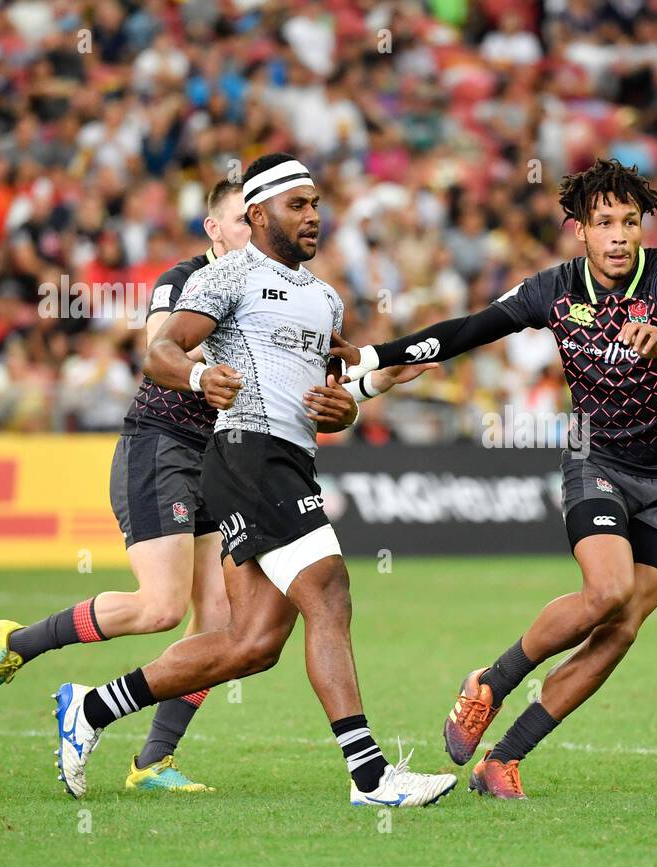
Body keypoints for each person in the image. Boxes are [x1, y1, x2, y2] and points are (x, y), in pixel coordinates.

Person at [50, 153, 456, 808]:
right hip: (245, 453)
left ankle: (90, 709)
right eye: (298, 204)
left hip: (290, 457)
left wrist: (348, 405)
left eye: (317, 203)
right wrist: (196, 376)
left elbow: (339, 393)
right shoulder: (230, 275)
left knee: (253, 643)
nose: (313, 215)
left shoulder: (324, 298)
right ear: (259, 213)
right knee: (327, 589)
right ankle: (371, 775)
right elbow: (161, 350)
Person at [335, 158, 657, 798]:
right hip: (597, 462)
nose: (620, 236)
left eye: (630, 222)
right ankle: (492, 680)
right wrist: (376, 357)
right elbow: (468, 331)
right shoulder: (554, 290)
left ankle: (503, 759)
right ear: (580, 230)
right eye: (604, 223)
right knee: (606, 593)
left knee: (623, 627)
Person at [0, 180, 251, 792]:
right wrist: (202, 374)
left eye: (260, 218)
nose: (254, 230)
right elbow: (158, 346)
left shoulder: (264, 294)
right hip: (160, 446)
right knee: (161, 609)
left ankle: (152, 763)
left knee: (221, 628)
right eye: (241, 220)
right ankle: (17, 644)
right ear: (214, 228)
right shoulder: (188, 279)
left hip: (215, 461)